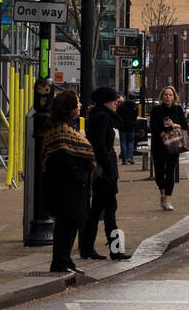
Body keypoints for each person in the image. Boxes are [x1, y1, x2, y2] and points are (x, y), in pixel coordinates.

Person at [42, 90, 95, 274]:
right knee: (65, 226)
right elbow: (63, 158)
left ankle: (66, 260)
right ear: (68, 107)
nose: (80, 105)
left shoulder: (67, 128)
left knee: (71, 226)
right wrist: (80, 178)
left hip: (72, 188)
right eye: (77, 102)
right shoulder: (61, 130)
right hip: (66, 189)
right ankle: (60, 262)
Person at [80, 87, 128, 261]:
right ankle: (115, 250)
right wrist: (107, 168)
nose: (117, 102)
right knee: (108, 211)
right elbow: (99, 146)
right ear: (106, 101)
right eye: (114, 100)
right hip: (104, 173)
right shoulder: (101, 117)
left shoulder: (102, 116)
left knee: (98, 211)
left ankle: (87, 248)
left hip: (104, 172)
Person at [150, 85, 188, 211]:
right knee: (160, 172)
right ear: (162, 96)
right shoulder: (156, 110)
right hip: (159, 145)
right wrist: (162, 132)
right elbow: (153, 126)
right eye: (166, 94)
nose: (168, 97)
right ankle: (162, 193)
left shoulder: (178, 110)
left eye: (170, 95)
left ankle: (167, 199)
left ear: (174, 97)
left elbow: (184, 126)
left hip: (173, 146)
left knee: (171, 173)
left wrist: (174, 125)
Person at [118, 94, 137, 165]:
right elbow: (135, 116)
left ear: (127, 98)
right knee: (131, 142)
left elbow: (117, 115)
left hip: (122, 127)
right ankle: (130, 158)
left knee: (123, 143)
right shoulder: (135, 107)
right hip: (131, 127)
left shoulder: (122, 106)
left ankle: (124, 160)